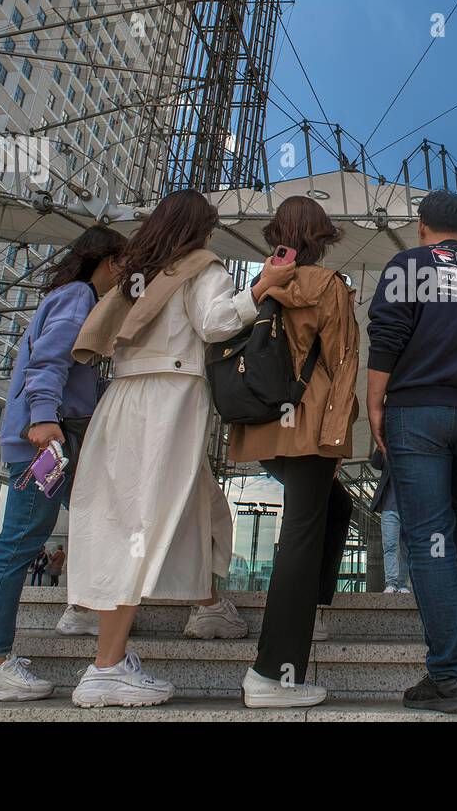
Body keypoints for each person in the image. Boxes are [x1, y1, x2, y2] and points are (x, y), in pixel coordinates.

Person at [65, 189, 295, 708]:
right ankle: (107, 665)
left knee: (188, 504)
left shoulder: (139, 273)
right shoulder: (200, 267)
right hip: (167, 401)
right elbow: (215, 324)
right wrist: (261, 287)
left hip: (121, 398)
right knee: (139, 519)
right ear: (199, 229)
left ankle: (206, 603)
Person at [0, 226, 127, 703]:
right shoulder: (77, 297)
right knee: (19, 543)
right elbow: (47, 364)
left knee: (92, 518)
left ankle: (82, 607)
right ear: (109, 261)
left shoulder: (70, 296)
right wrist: (44, 419)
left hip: (52, 436)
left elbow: (68, 373)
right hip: (45, 441)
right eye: (124, 264)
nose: (126, 274)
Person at [366, 189, 457, 714]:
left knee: (427, 532)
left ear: (421, 226)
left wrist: (375, 401)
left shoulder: (407, 264)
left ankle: (451, 676)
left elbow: (387, 332)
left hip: (420, 409)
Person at [227, 196, 360, 709]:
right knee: (302, 536)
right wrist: (335, 436)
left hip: (266, 427)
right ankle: (272, 674)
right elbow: (343, 362)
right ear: (321, 237)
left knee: (337, 507)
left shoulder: (261, 283)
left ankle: (314, 612)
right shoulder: (328, 286)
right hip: (310, 424)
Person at [370, 448, 411, 594]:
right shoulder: (389, 450)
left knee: (406, 549)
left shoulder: (414, 453)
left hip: (409, 509)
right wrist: (381, 442)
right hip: (389, 508)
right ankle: (391, 583)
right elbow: (375, 463)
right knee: (390, 546)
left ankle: (402, 584)